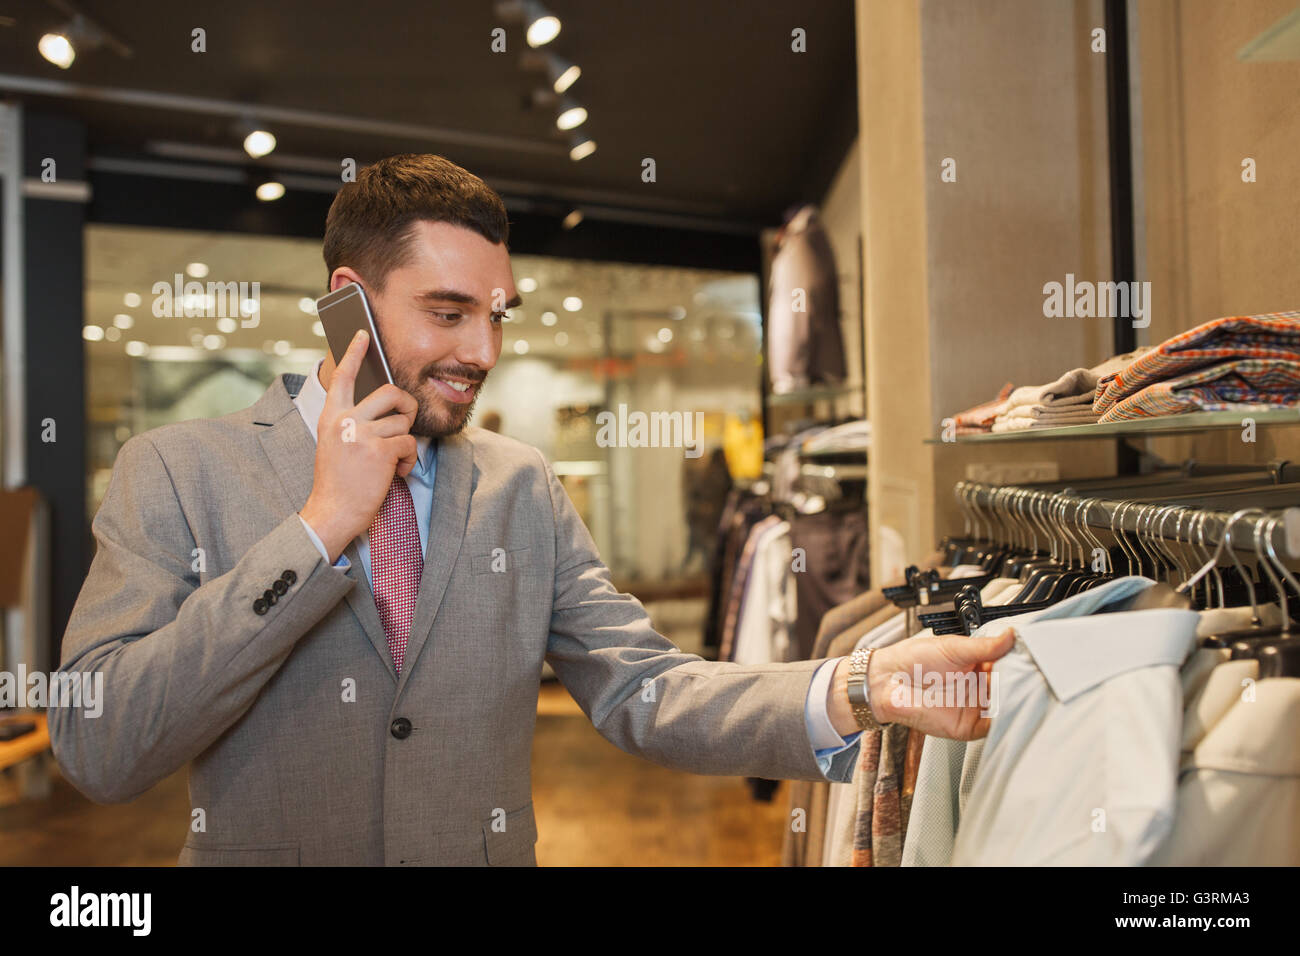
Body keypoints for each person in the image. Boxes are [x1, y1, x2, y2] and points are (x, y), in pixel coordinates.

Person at [48, 153, 1014, 866]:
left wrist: (866, 683)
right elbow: (100, 745)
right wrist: (317, 530)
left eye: (496, 313)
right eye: (447, 311)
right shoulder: (174, 470)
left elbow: (645, 689)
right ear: (349, 302)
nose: (485, 350)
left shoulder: (519, 485)